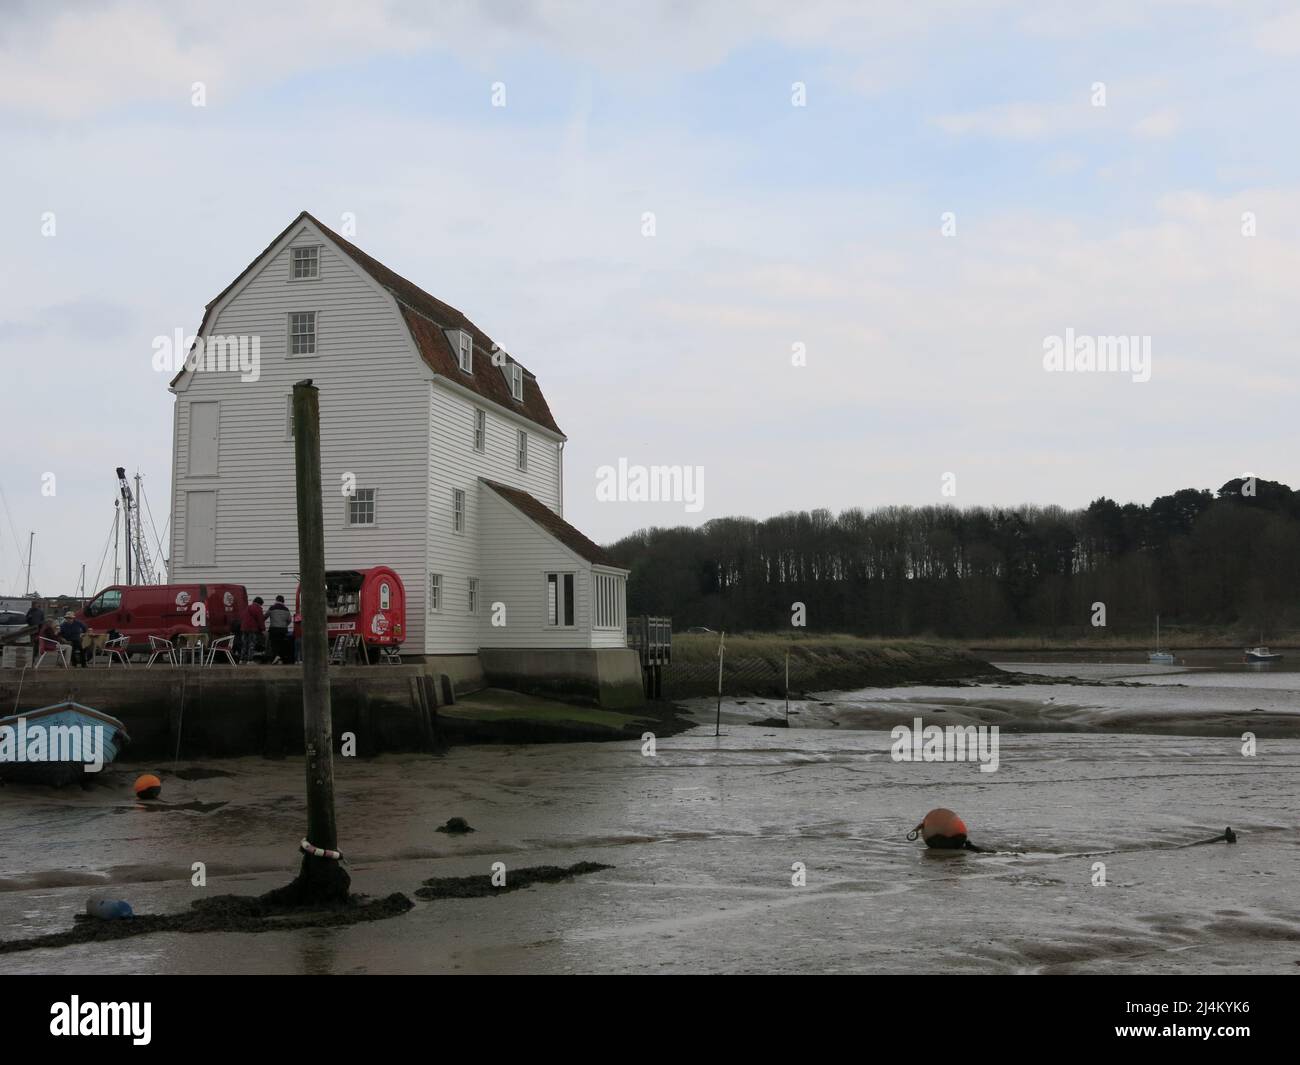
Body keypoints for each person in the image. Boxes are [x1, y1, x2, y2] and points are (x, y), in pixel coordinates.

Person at [265, 595, 292, 663]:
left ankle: (276, 656)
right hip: (283, 630)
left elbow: (265, 616)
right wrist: (285, 625)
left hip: (274, 629)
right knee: (281, 644)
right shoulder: (286, 609)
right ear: (283, 601)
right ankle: (280, 659)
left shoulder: (272, 608)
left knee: (274, 643)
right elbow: (289, 620)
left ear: (276, 600)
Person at [240, 596, 265, 663]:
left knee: (244, 644)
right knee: (251, 644)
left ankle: (241, 659)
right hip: (252, 629)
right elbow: (260, 620)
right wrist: (263, 629)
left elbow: (242, 617)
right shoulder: (258, 608)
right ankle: (249, 660)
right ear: (260, 603)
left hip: (244, 628)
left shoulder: (247, 607)